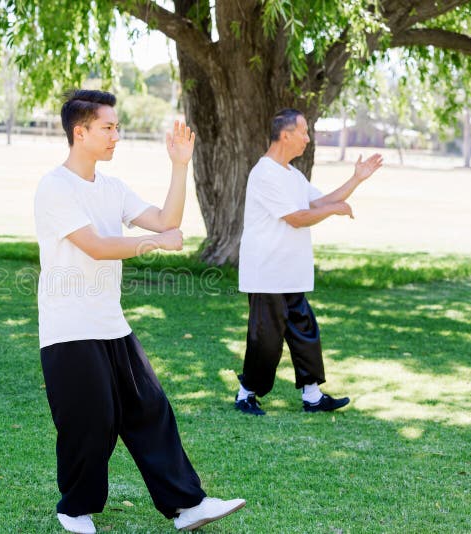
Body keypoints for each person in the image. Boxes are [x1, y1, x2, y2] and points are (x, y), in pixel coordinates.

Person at [34, 89, 245, 533]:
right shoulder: (55, 186)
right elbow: (95, 246)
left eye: (116, 127)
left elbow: (167, 220)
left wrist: (180, 164)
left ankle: (189, 505)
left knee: (150, 408)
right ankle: (75, 508)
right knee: (92, 422)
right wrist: (154, 243)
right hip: (69, 327)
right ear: (80, 132)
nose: (116, 135)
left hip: (111, 322)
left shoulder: (112, 188)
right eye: (108, 127)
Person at [234, 108, 383, 415]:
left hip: (290, 273)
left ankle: (312, 397)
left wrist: (356, 179)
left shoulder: (292, 174)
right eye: (303, 132)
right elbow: (297, 218)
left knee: (305, 331)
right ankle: (246, 394)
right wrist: (336, 210)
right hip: (266, 273)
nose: (307, 138)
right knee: (267, 341)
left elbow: (318, 202)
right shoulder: (264, 173)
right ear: (285, 135)